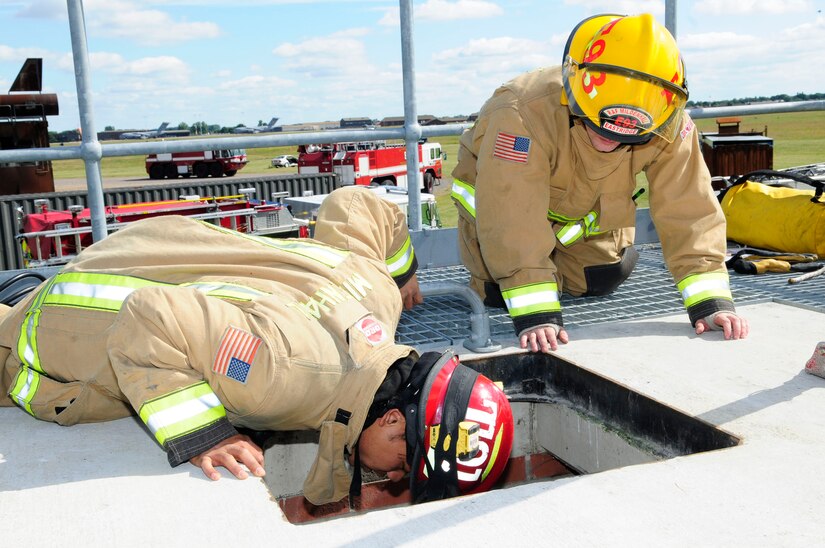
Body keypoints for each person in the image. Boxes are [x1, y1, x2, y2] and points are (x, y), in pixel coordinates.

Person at [0, 186, 513, 506]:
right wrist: (205, 435)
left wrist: (400, 274)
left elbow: (357, 205)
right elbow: (150, 319)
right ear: (393, 420)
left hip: (138, 255)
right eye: (406, 462)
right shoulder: (280, 376)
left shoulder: (377, 295)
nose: (395, 475)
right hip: (71, 323)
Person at [451, 13, 750, 354]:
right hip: (500, 214)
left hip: (578, 219)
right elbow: (510, 209)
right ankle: (523, 274)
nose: (611, 139)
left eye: (628, 134)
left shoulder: (667, 118)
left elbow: (689, 206)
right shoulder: (520, 111)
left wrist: (711, 302)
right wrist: (536, 311)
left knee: (602, 277)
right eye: (599, 124)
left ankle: (556, 268)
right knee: (502, 292)